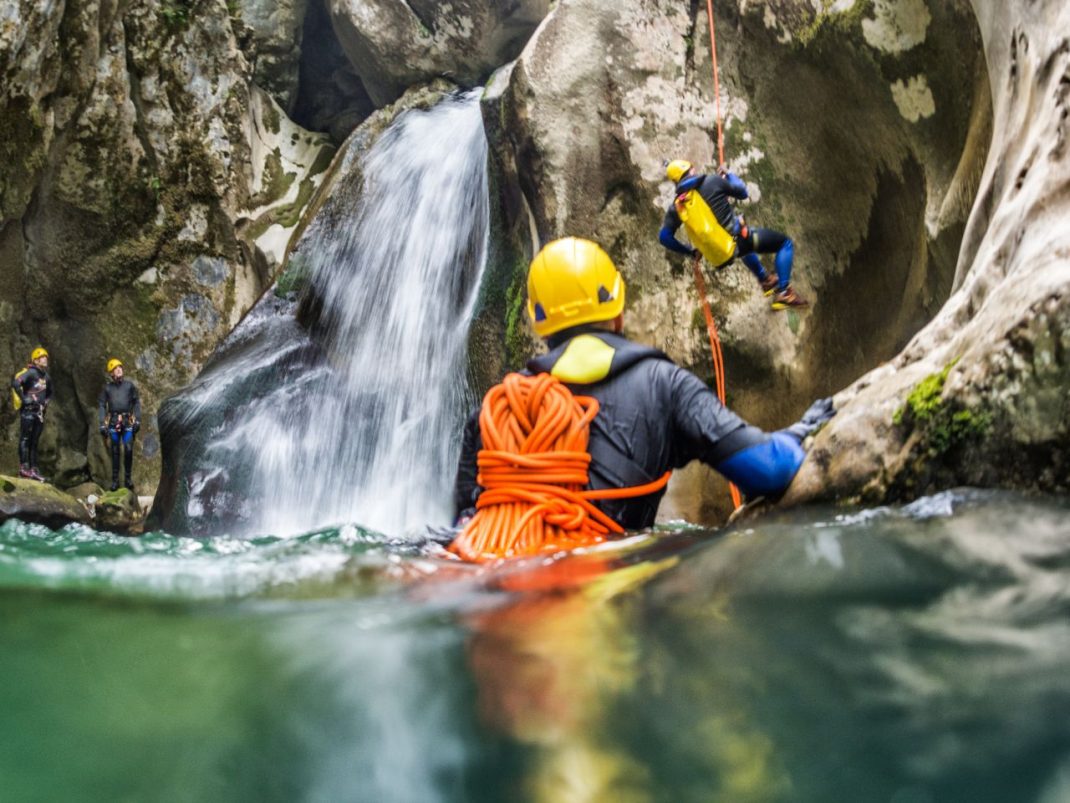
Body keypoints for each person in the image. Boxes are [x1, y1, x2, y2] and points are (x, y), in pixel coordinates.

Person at [453, 237, 833, 529]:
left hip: (499, 590)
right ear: (618, 308)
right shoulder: (664, 386)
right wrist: (799, 430)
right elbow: (768, 470)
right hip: (610, 591)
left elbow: (463, 525)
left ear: (539, 323)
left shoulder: (494, 409)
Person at [659, 159, 808, 310]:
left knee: (742, 248)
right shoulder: (712, 181)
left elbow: (664, 238)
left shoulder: (678, 206)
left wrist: (690, 252)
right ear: (689, 170)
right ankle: (784, 293)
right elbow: (743, 192)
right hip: (739, 239)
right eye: (692, 168)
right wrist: (728, 174)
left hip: (722, 252)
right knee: (784, 244)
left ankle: (765, 280)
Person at [98, 358, 141, 492]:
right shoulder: (107, 388)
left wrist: (137, 420)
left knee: (128, 449)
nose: (119, 369)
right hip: (113, 422)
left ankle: (128, 479)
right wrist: (102, 424)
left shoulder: (129, 386)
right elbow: (101, 405)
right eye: (116, 368)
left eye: (120, 367)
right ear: (111, 373)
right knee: (115, 451)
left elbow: (136, 402)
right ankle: (115, 481)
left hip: (127, 421)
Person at [10, 347, 52, 482]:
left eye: (46, 357)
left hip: (39, 413)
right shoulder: (31, 373)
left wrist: (45, 403)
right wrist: (24, 399)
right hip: (28, 412)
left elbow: (50, 393)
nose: (45, 359)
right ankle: (24, 468)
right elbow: (16, 383)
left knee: (34, 442)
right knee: (25, 439)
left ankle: (34, 469)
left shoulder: (46, 377)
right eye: (42, 357)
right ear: (35, 360)